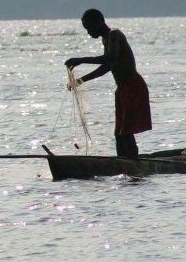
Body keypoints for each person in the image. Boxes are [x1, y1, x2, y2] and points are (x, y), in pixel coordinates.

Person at [64, 9, 151, 157]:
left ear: (99, 22)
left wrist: (80, 60)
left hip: (133, 87)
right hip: (123, 89)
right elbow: (107, 67)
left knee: (126, 132)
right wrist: (80, 80)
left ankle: (132, 165)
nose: (89, 33)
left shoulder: (114, 34)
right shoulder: (106, 39)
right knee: (119, 133)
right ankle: (123, 163)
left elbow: (110, 58)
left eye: (89, 28)